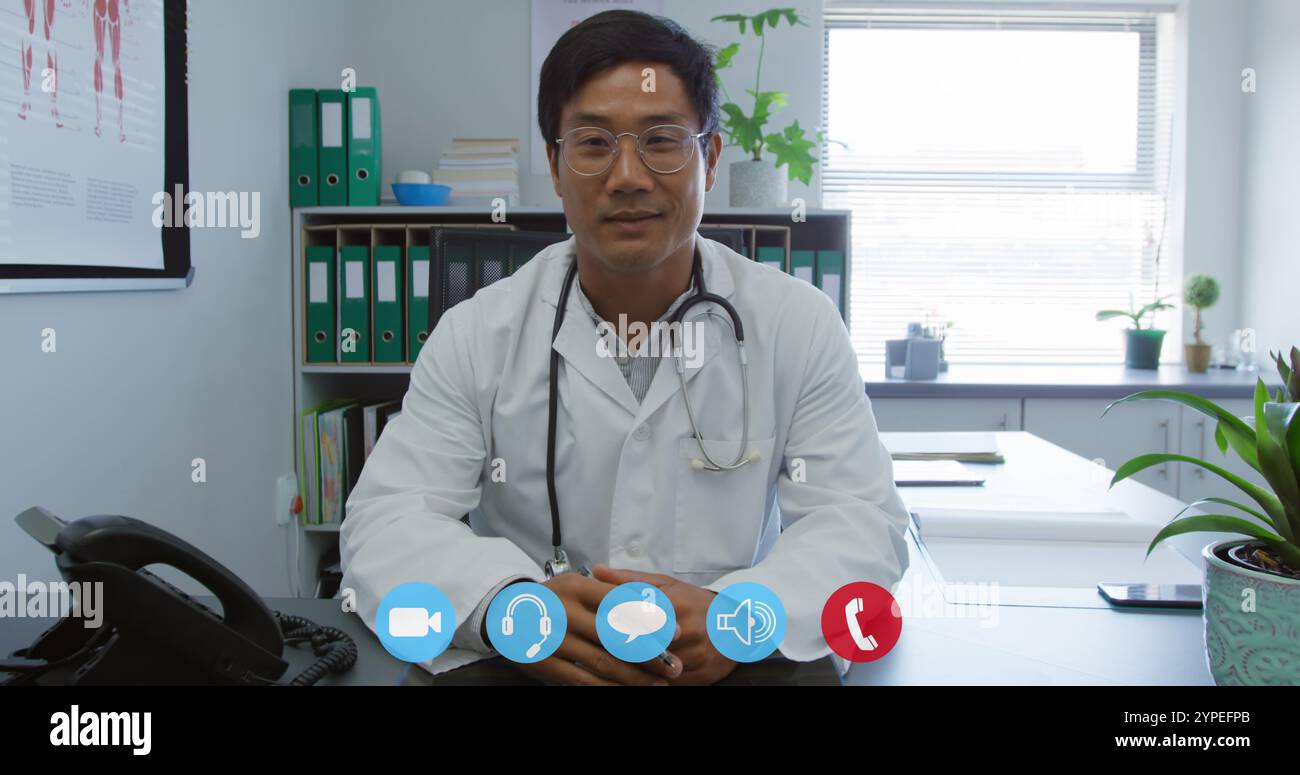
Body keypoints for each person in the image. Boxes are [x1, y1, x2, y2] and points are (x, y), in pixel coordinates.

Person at [339, 9, 909, 685]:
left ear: (712, 158)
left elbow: (862, 521)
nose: (628, 175)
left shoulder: (798, 325)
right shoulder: (476, 335)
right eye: (594, 143)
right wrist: (504, 601)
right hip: (537, 663)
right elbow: (388, 518)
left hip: (730, 664)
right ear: (554, 165)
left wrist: (748, 611)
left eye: (662, 140)